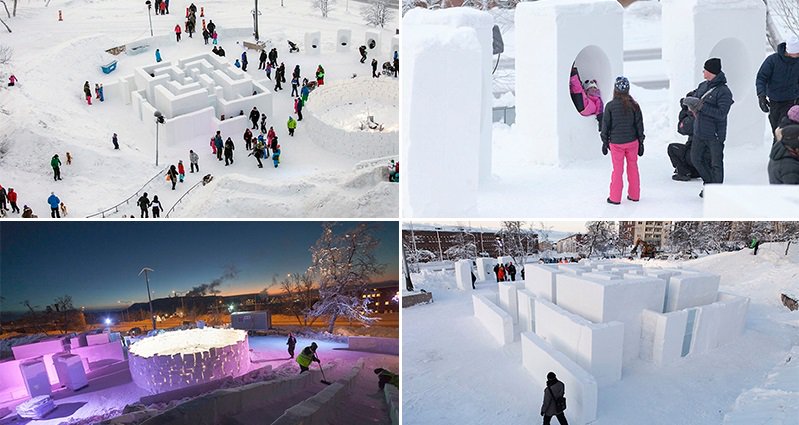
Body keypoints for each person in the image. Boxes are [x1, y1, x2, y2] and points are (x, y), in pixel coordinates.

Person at [686, 58, 734, 197]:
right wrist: (689, 102)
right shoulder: (703, 86)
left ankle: (716, 190)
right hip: (699, 131)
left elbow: (721, 113)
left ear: (711, 72)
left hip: (715, 134)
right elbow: (695, 98)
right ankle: (710, 184)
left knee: (716, 164)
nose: (703, 72)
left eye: (705, 70)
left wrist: (701, 106)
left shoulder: (724, 92)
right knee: (695, 159)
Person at [600, 76, 644, 205]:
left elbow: (605, 126)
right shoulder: (635, 106)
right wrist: (641, 142)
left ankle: (615, 197)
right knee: (633, 168)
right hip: (632, 142)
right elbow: (639, 126)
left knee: (617, 170)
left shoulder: (610, 106)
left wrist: (604, 142)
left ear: (615, 90)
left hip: (616, 143)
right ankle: (635, 195)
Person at [756, 34, 799, 136]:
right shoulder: (773, 60)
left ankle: (781, 149)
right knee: (776, 132)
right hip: (774, 101)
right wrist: (761, 96)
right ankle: (777, 150)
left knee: (784, 131)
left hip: (792, 101)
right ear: (788, 51)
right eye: (796, 52)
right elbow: (761, 78)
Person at [668, 93, 701, 181]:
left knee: (672, 148)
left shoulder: (693, 119)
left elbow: (681, 129)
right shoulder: (705, 116)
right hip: (705, 156)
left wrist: (684, 110)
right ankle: (694, 171)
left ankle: (683, 173)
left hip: (695, 154)